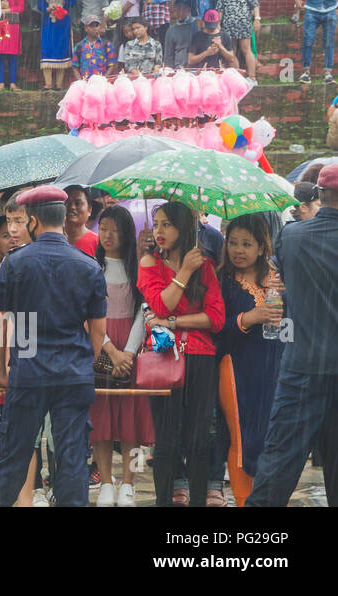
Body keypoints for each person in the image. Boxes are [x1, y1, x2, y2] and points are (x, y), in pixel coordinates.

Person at [0, 187, 107, 507]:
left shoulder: (16, 263)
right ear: (64, 219)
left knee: (13, 456)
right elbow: (98, 330)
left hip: (28, 372)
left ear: (34, 221)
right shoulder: (88, 265)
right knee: (72, 459)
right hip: (74, 374)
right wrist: (83, 364)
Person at [247, 164, 338, 506]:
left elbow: (281, 282)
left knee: (279, 461)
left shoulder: (293, 236)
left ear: (320, 195)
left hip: (303, 364)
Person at [139, 201, 225, 506]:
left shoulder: (207, 266)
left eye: (167, 224)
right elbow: (160, 304)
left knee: (198, 438)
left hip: (201, 358)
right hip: (163, 358)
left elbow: (216, 318)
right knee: (166, 440)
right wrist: (185, 271)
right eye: (157, 224)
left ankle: (199, 500)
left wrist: (173, 321)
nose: (159, 231)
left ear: (183, 228)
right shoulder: (149, 264)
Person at [214, 214, 284, 507]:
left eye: (246, 243)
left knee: (275, 439)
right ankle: (245, 502)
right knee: (242, 439)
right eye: (233, 243)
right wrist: (249, 318)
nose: (238, 250)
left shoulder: (278, 277)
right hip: (237, 368)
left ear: (262, 246)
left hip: (277, 368)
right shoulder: (223, 281)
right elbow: (215, 327)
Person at [90, 205, 153, 506]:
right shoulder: (91, 268)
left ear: (127, 232)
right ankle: (105, 481)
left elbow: (144, 312)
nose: (108, 235)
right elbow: (86, 316)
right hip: (101, 345)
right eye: (103, 228)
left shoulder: (140, 267)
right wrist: (111, 351)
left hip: (133, 346)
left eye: (115, 229)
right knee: (100, 417)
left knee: (134, 421)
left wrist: (127, 352)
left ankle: (130, 483)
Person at [37, 0, 75, 90]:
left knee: (61, 49)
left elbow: (71, 3)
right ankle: (48, 83)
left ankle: (59, 84)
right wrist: (47, 8)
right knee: (47, 48)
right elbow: (40, 5)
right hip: (49, 22)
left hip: (63, 23)